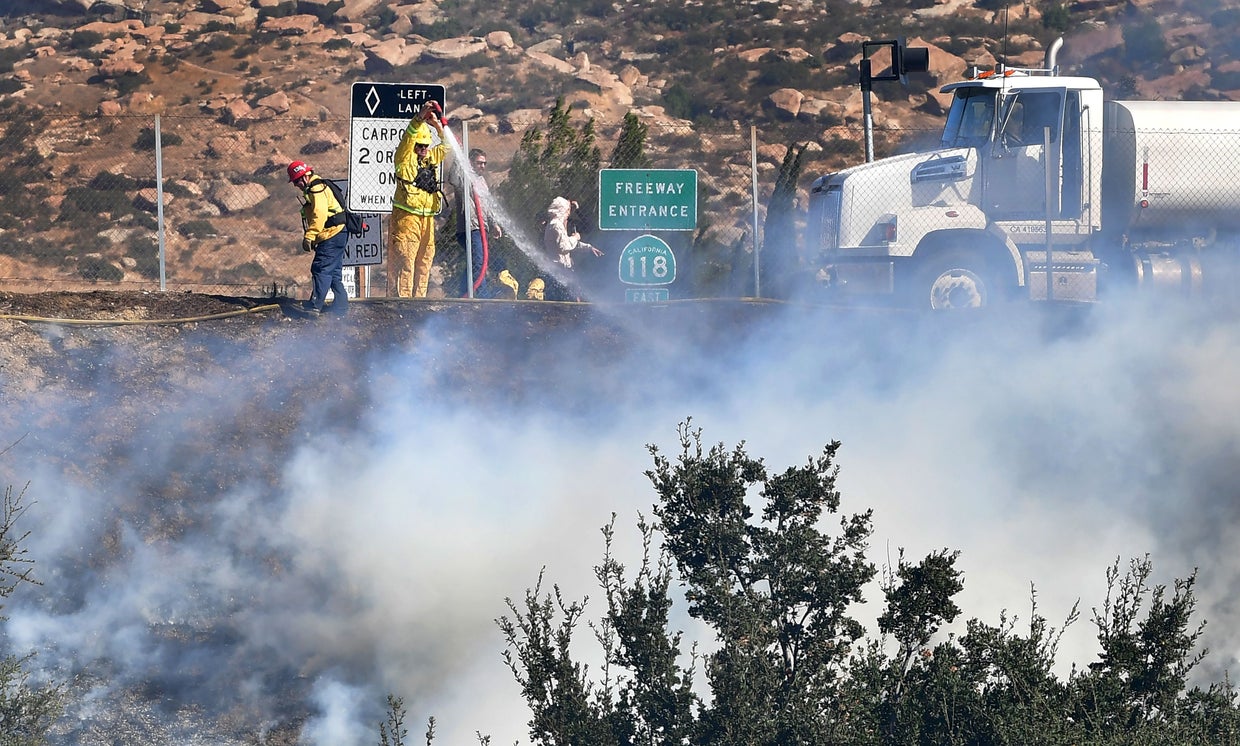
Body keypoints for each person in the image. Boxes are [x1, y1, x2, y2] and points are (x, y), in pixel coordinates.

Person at [388, 101, 447, 298]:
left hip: (427, 218)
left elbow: (447, 146)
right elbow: (407, 139)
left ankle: (419, 301)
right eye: (419, 145)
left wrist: (437, 126)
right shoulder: (404, 158)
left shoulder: (431, 158)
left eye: (425, 145)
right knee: (406, 259)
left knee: (425, 261)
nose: (423, 148)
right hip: (406, 217)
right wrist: (419, 118)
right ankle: (403, 301)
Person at [288, 160, 348, 317]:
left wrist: (310, 236)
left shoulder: (316, 189)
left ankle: (314, 307)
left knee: (321, 268)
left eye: (296, 181)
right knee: (333, 272)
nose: (295, 185)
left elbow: (319, 215)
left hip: (331, 234)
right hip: (338, 233)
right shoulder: (316, 187)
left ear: (304, 177)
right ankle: (341, 307)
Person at [448, 147, 503, 297]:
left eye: (484, 163)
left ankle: (463, 294)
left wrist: (494, 224)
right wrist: (458, 158)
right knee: (478, 262)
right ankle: (483, 298)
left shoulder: (482, 181)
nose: (483, 166)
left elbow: (487, 205)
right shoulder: (463, 177)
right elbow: (452, 178)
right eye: (479, 163)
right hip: (469, 228)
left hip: (482, 228)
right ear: (470, 162)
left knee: (476, 262)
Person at [543, 196, 603, 300]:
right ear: (561, 210)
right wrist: (575, 237)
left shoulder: (557, 224)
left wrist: (588, 247)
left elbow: (567, 242)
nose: (569, 213)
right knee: (568, 298)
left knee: (574, 296)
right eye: (567, 210)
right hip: (560, 269)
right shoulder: (556, 225)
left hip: (565, 268)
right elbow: (564, 246)